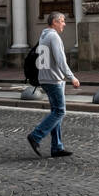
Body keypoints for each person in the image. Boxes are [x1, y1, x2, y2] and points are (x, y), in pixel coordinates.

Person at [27, 12, 79, 159]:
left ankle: (57, 147)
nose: (64, 24)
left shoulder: (43, 35)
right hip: (53, 80)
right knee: (60, 112)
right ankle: (36, 136)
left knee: (56, 112)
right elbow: (61, 60)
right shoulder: (54, 36)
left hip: (46, 78)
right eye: (62, 21)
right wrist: (72, 77)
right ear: (55, 22)